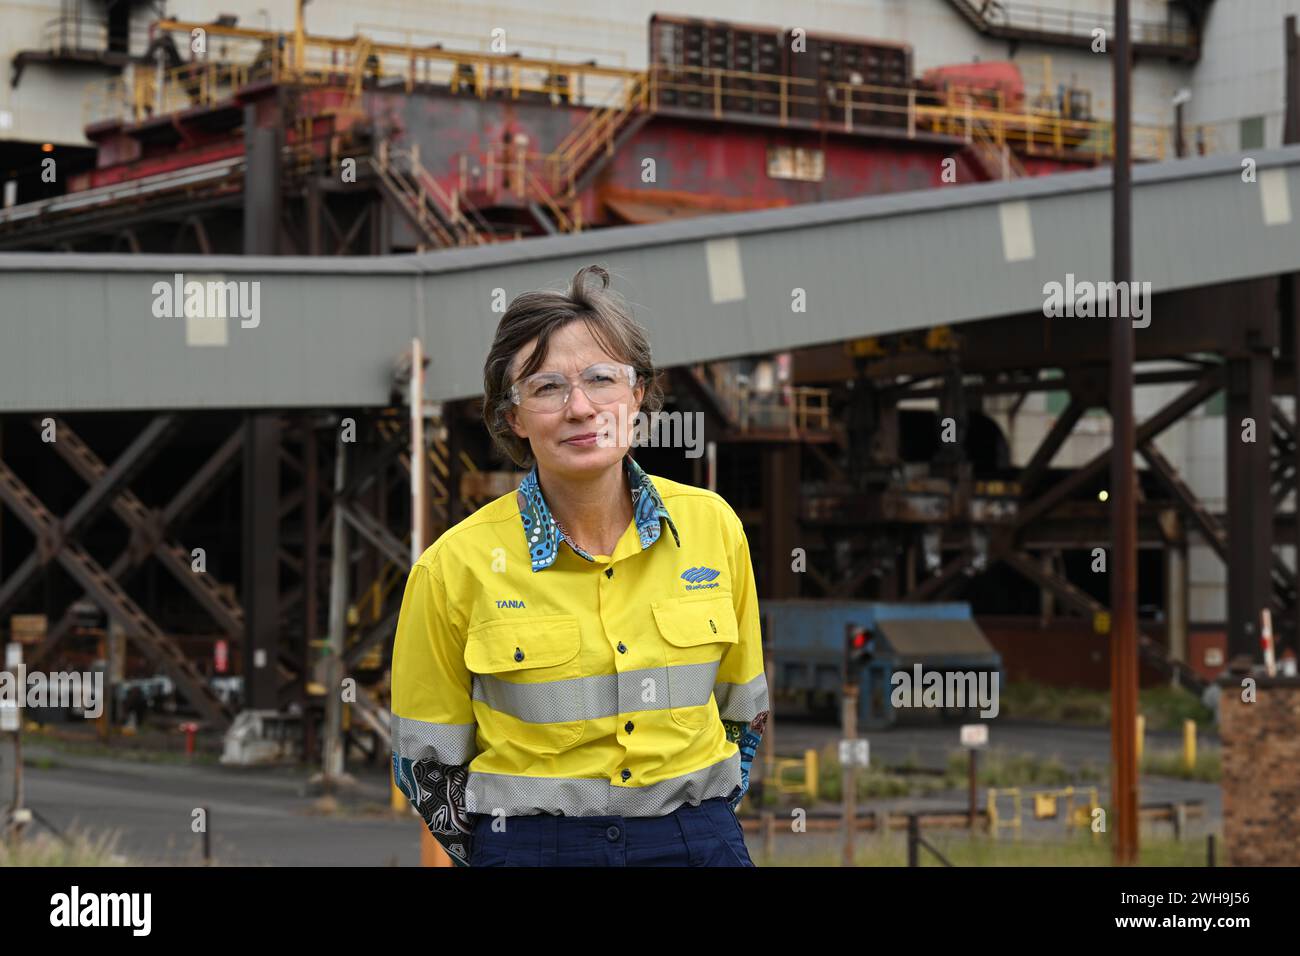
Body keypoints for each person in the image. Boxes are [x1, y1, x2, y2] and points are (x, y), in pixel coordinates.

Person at [391, 264, 769, 866]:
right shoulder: (453, 567)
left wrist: (695, 823)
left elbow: (743, 713)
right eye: (546, 388)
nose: (581, 407)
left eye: (602, 379)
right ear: (512, 416)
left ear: (637, 395)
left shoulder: (713, 529)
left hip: (694, 842)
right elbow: (426, 764)